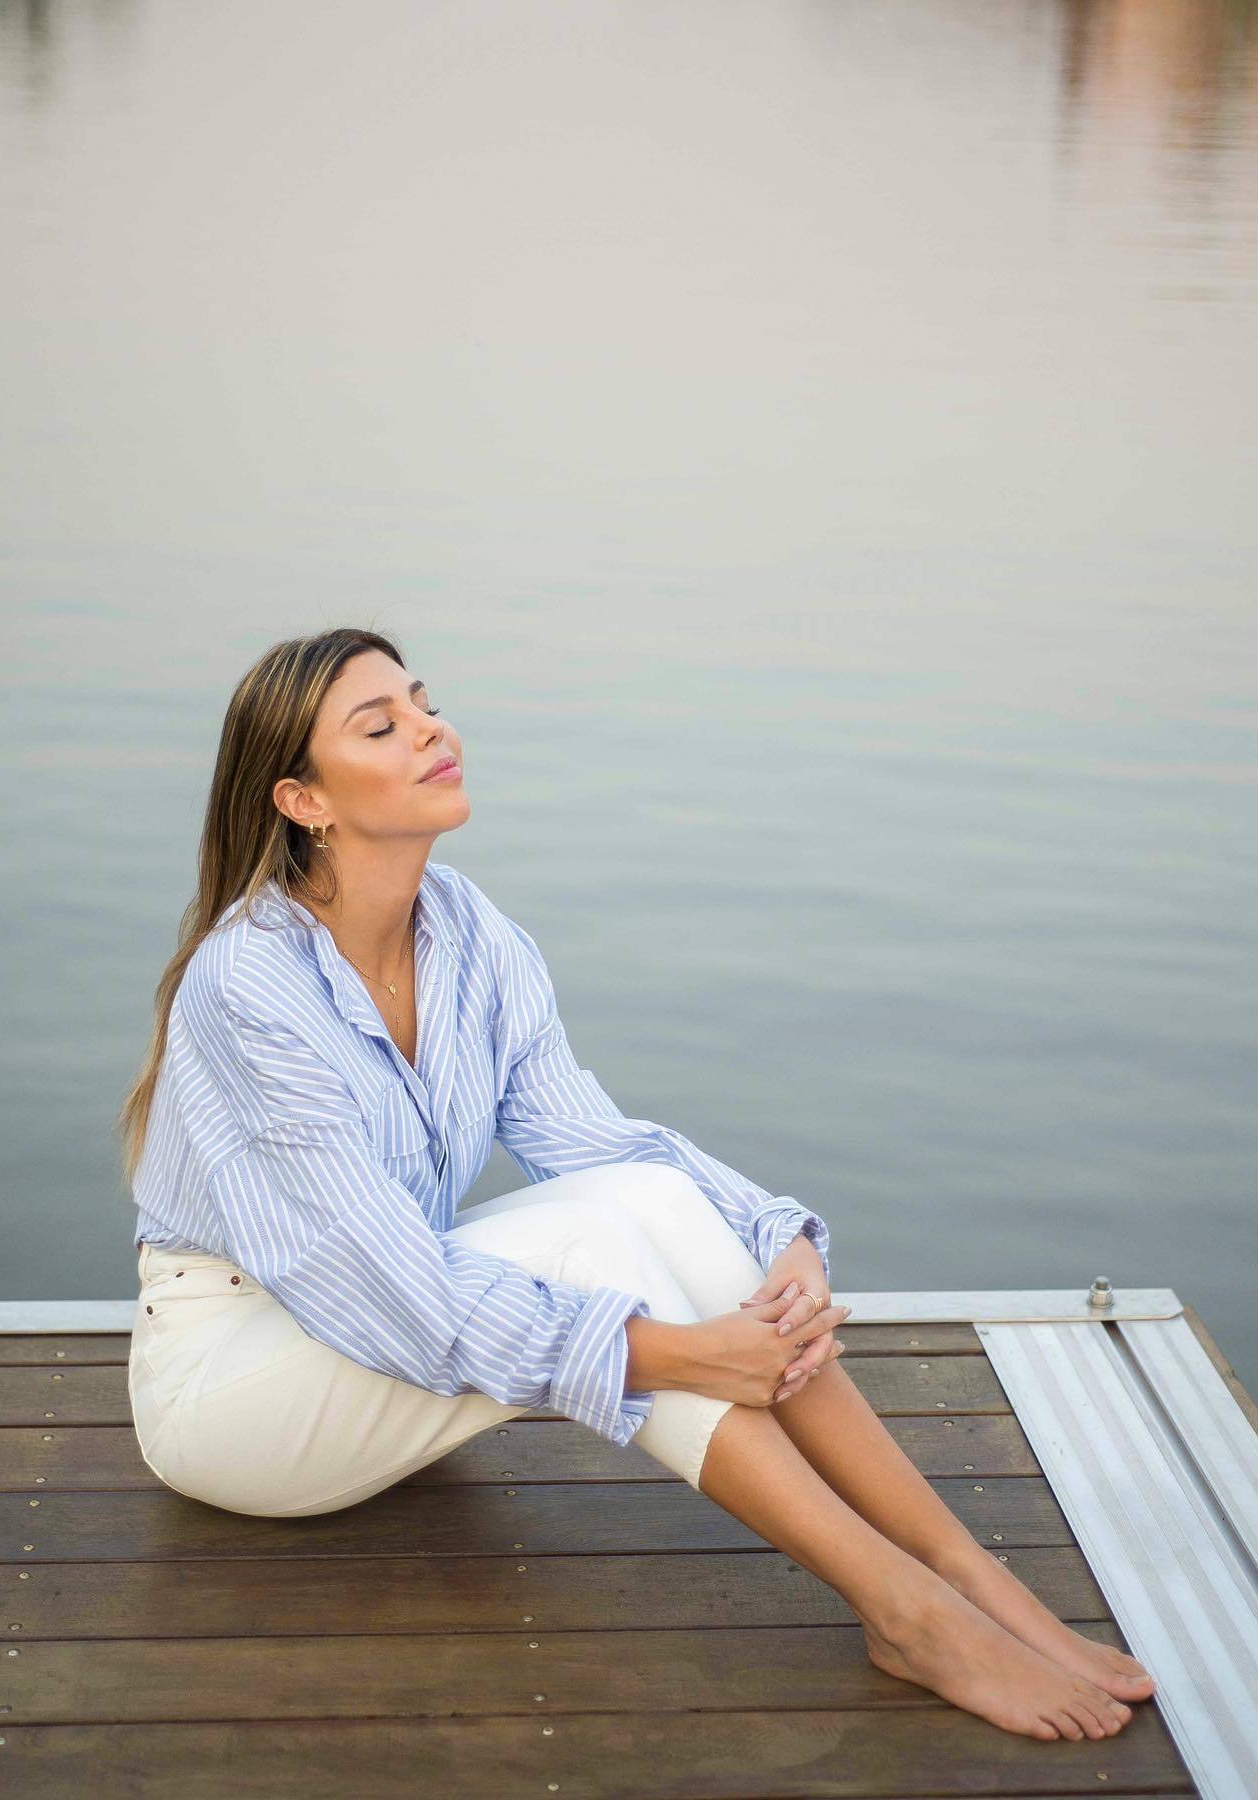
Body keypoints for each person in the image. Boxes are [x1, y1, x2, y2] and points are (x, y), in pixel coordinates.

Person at [115, 628, 1154, 1743]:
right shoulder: (248, 985)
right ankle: (907, 1613)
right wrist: (684, 1352)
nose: (432, 730)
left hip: (373, 1360)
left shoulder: (470, 933)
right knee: (598, 1259)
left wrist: (773, 1237)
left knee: (654, 1207)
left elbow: (597, 1146)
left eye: (423, 703)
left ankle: (963, 1574)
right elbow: (399, 1298)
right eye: (382, 726)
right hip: (234, 1395)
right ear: (302, 798)